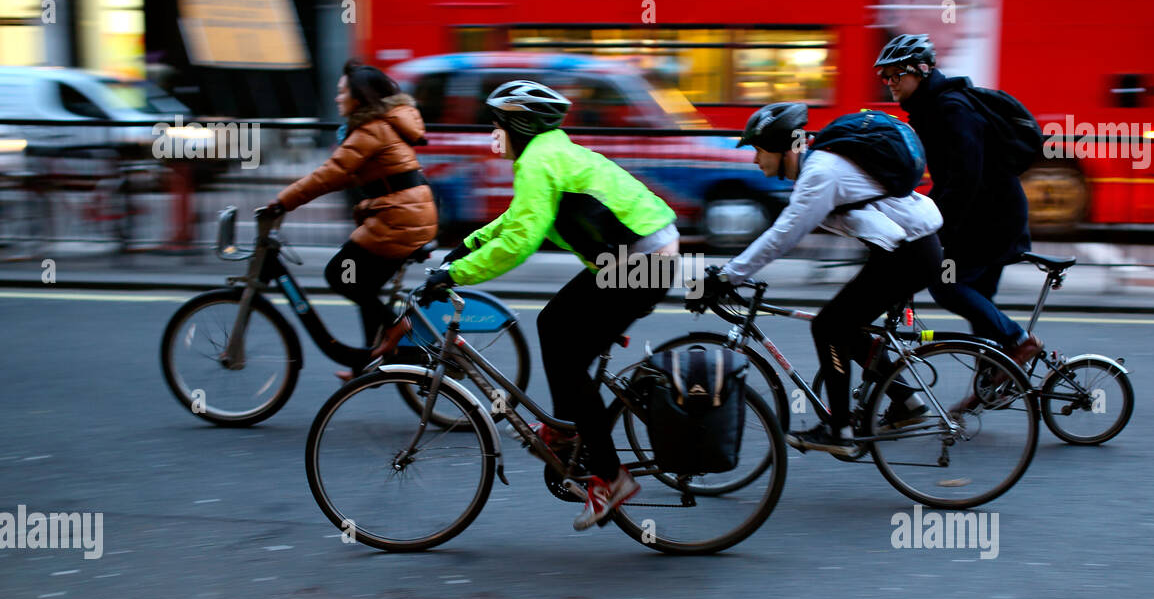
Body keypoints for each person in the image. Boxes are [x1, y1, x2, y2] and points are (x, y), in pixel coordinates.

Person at [418, 80, 679, 530]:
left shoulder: (538, 160)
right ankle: (566, 428)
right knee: (553, 324)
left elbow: (521, 241)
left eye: (496, 126)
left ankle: (610, 477)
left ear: (517, 126)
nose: (492, 135)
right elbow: (521, 217)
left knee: (569, 355)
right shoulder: (548, 152)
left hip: (642, 262)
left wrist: (455, 275)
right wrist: (469, 245)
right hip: (637, 256)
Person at [702, 102, 944, 457]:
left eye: (757, 149)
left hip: (909, 254)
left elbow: (783, 235)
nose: (755, 160)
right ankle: (907, 402)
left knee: (829, 327)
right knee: (848, 328)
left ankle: (840, 430)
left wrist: (729, 276)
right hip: (904, 250)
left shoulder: (820, 172)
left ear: (779, 146)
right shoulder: (818, 168)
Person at [876, 33, 1042, 368]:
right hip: (991, 213)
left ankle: (1018, 342)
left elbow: (964, 179)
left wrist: (933, 229)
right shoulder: (933, 107)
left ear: (920, 71)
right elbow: (952, 180)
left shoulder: (950, 110)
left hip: (991, 217)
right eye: (885, 76)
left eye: (897, 75)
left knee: (946, 285)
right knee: (978, 299)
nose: (889, 83)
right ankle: (993, 381)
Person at [267, 60, 438, 379]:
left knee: (340, 275)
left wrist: (282, 202)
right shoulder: (376, 126)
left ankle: (398, 328)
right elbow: (344, 175)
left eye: (341, 92)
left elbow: (330, 174)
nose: (337, 98)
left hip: (400, 220)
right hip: (405, 215)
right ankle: (370, 363)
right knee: (363, 285)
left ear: (358, 98)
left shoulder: (371, 129)